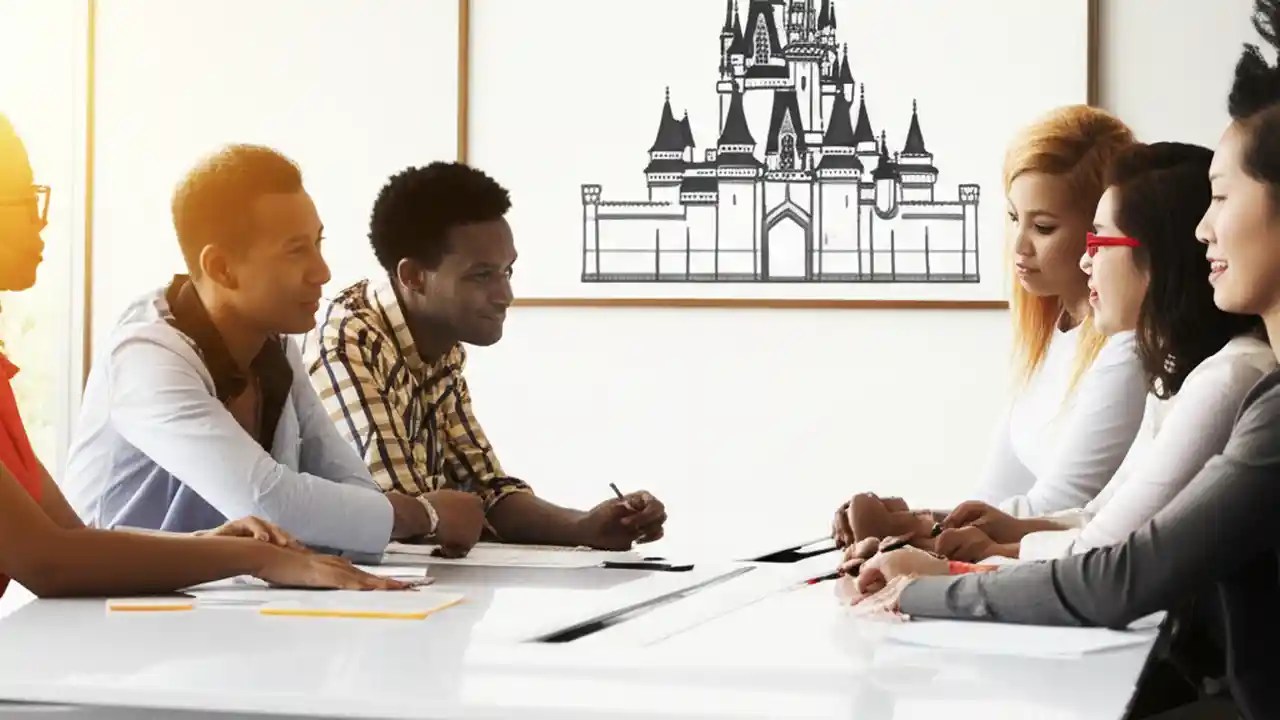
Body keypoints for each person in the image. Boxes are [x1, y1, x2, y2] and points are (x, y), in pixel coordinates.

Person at [841, 6, 1280, 716]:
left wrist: (934, 575)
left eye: (1223, 198)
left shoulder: (1239, 379)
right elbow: (1103, 526)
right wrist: (967, 538)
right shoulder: (1215, 379)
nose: (1206, 228)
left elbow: (1118, 570)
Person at [0, 114, 403, 596]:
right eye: (27, 201)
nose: (41, 219)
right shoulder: (148, 350)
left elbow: (72, 540)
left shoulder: (274, 345)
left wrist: (214, 544)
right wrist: (255, 554)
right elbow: (49, 563)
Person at [62, 144, 441, 558]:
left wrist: (365, 517)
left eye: (318, 243)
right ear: (222, 268)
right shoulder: (146, 355)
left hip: (222, 603)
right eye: (297, 250)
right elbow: (269, 502)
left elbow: (351, 487)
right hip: (112, 609)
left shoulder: (274, 342)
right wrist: (423, 515)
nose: (323, 271)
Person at [930, 142, 1274, 563]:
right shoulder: (1173, 372)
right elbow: (1098, 516)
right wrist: (995, 534)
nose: (1085, 263)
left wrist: (942, 569)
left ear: (1161, 256)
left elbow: (1102, 556)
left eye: (1099, 241)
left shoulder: (1227, 378)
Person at [304, 162, 667, 557]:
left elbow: (486, 490)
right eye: (481, 276)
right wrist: (450, 514)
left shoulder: (441, 344)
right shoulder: (344, 343)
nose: (504, 295)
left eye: (507, 272)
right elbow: (411, 519)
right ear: (412, 276)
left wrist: (585, 526)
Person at [832, 105, 1145, 548]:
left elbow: (1060, 507)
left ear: (1099, 229)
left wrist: (916, 527)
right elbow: (993, 498)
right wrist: (909, 519)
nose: (1019, 246)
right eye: (1014, 218)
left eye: (1043, 226)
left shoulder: (1126, 348)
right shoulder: (1050, 335)